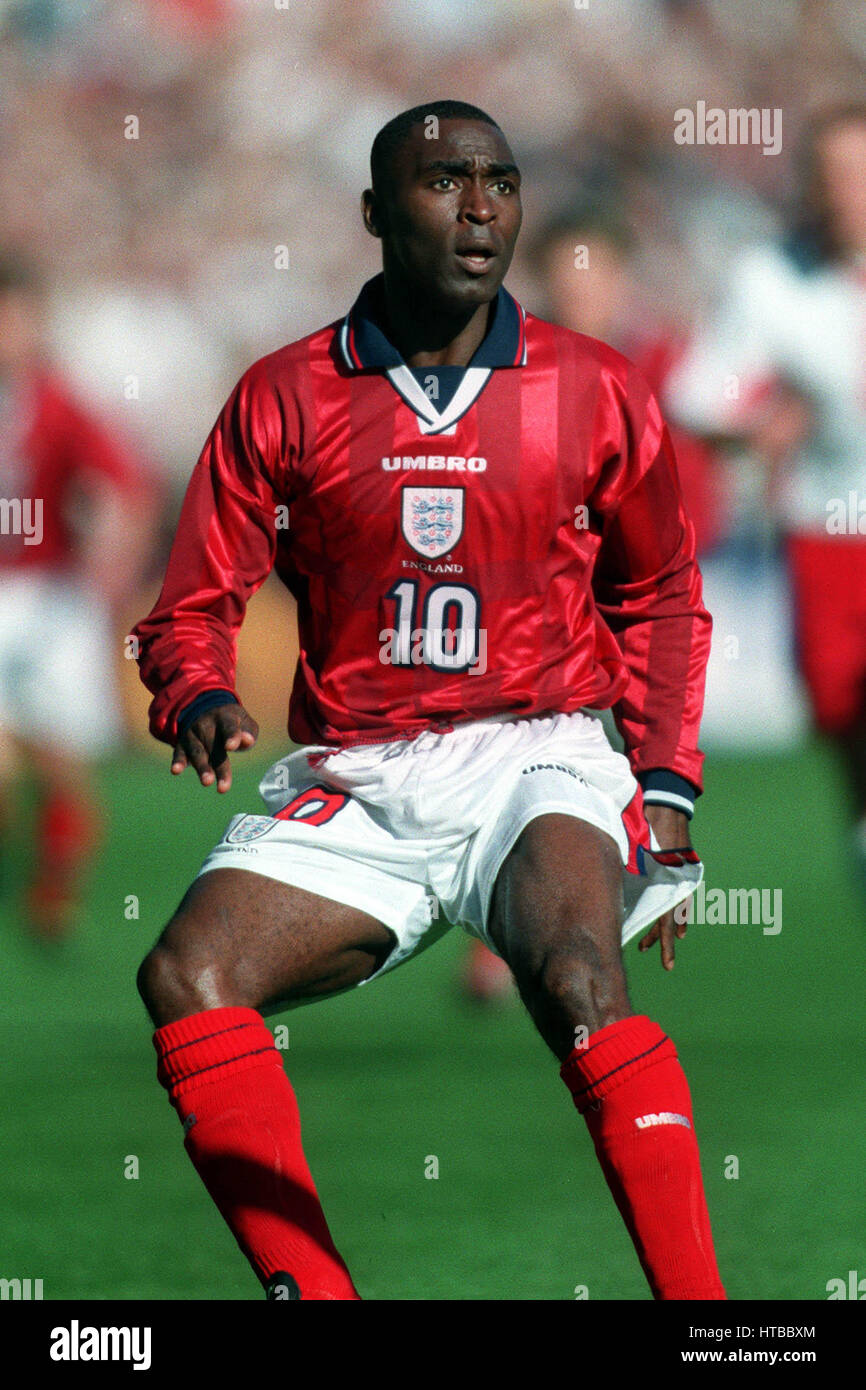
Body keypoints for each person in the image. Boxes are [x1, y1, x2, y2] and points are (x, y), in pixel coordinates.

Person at [132, 101, 725, 1301]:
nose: (478, 207)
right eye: (441, 180)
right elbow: (191, 603)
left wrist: (660, 789)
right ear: (370, 213)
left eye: (498, 181)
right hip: (363, 770)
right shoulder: (283, 396)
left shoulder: (592, 387)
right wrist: (193, 687)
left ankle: (708, 1325)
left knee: (572, 975)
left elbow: (659, 595)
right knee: (187, 975)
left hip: (538, 749)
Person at [667, 101, 866, 891]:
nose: (851, 191)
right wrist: (756, 426)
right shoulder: (772, 278)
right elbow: (695, 395)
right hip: (822, 528)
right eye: (836, 175)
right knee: (840, 712)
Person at [0, 255, 152, 937]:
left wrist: (112, 563)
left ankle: (55, 888)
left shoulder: (59, 404)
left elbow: (124, 486)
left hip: (51, 596)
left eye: (14, 317)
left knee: (59, 755)